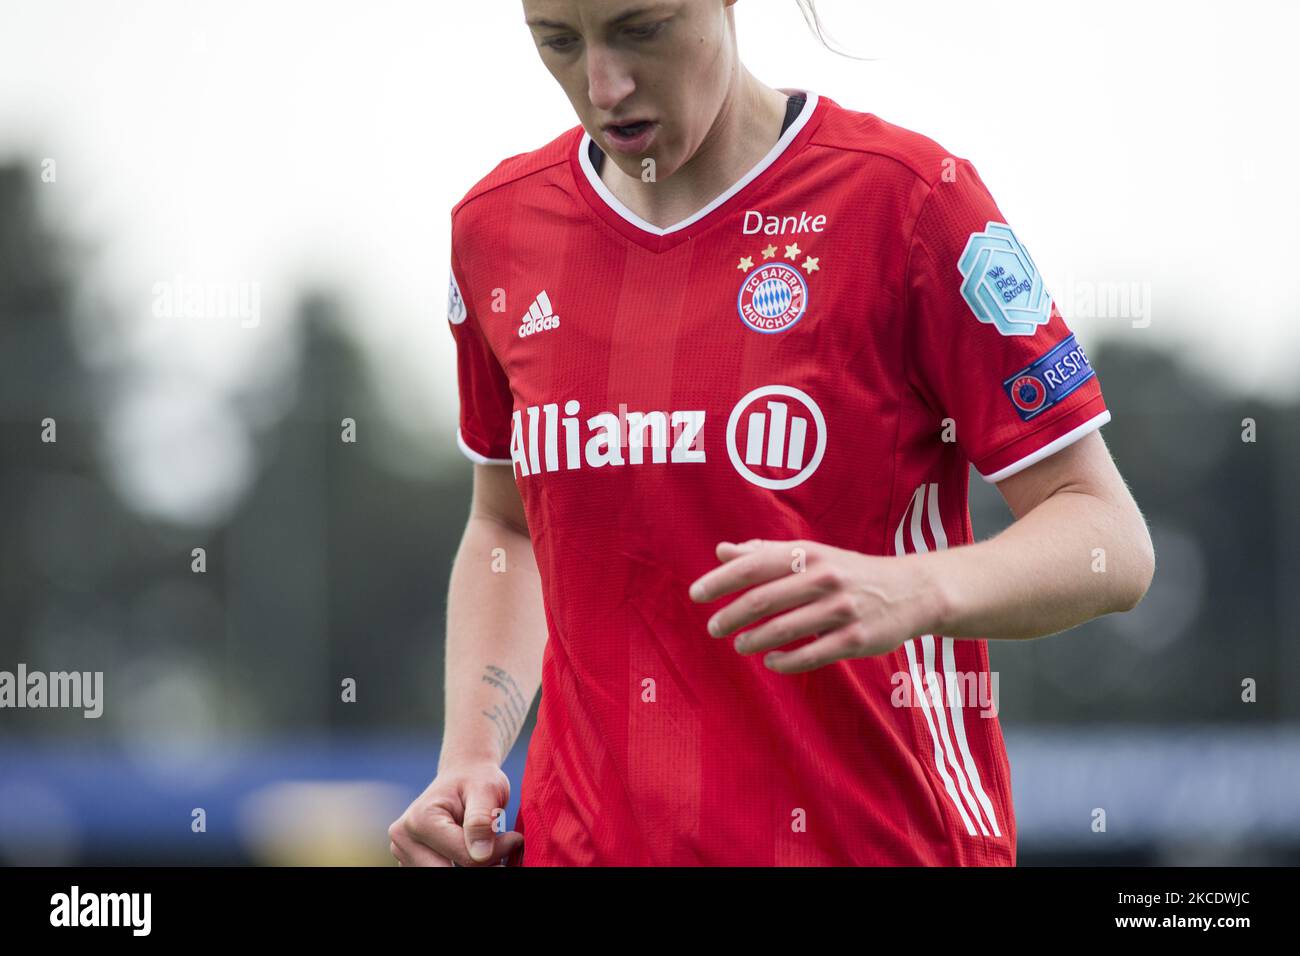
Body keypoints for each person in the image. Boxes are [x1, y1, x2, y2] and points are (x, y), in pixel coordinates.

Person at [388, 0, 1155, 867]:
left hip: (877, 844)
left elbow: (1109, 537)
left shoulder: (908, 201)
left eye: (641, 27)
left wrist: (913, 589)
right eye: (559, 43)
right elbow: (507, 527)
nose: (603, 85)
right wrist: (470, 755)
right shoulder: (497, 230)